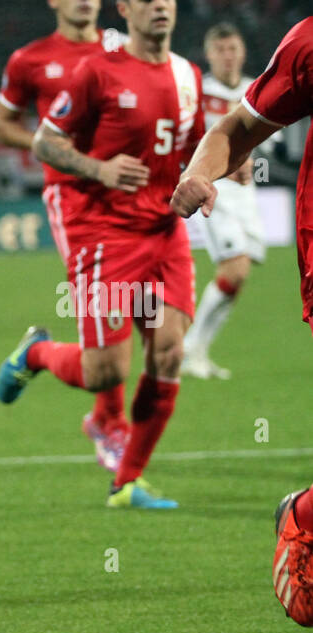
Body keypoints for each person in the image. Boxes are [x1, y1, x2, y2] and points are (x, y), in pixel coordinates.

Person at [0, 0, 203, 510]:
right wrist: (99, 168)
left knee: (169, 348)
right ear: (127, 8)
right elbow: (39, 139)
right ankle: (37, 353)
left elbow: (196, 141)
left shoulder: (185, 73)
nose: (160, 5)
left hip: (162, 225)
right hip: (97, 222)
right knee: (106, 369)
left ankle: (126, 480)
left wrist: (223, 168)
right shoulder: (80, 67)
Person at [170, 16, 313, 624]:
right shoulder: (307, 46)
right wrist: (199, 172)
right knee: (233, 271)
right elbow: (238, 126)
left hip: (254, 196)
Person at [0, 0, 131, 473]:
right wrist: (55, 144)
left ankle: (48, 363)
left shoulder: (122, 49)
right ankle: (109, 421)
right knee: (108, 305)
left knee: (140, 308)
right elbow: (2, 126)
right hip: (73, 197)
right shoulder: (28, 59)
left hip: (128, 189)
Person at [180, 23, 271, 381]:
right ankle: (190, 349)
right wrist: (222, 166)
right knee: (234, 268)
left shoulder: (256, 89)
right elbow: (186, 139)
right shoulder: (197, 93)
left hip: (246, 194)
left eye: (232, 48)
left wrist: (250, 167)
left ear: (242, 52)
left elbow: (265, 143)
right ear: (209, 54)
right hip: (213, 189)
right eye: (220, 50)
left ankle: (198, 351)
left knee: (239, 275)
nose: (227, 56)